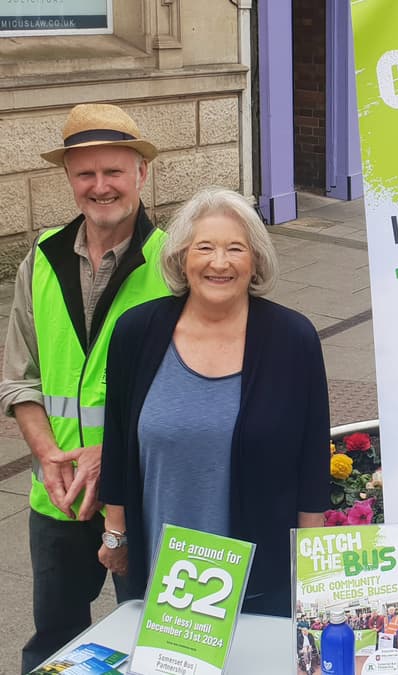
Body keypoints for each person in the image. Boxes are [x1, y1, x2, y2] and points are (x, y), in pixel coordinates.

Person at [97, 187, 330, 616]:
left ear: (255, 260)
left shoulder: (293, 339)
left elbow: (312, 457)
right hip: (161, 580)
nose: (219, 263)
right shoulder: (136, 332)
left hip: (261, 582)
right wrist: (115, 530)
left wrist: (310, 558)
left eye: (235, 249)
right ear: (182, 257)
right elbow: (117, 440)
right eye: (205, 247)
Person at [0, 103, 171, 671]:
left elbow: (194, 391)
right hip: (59, 494)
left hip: (143, 496)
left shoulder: (173, 262)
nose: (101, 187)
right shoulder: (41, 258)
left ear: (141, 173)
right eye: (85, 174)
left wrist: (111, 455)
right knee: (52, 642)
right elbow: (18, 379)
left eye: (114, 171)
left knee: (155, 640)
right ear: (69, 178)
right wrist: (49, 456)